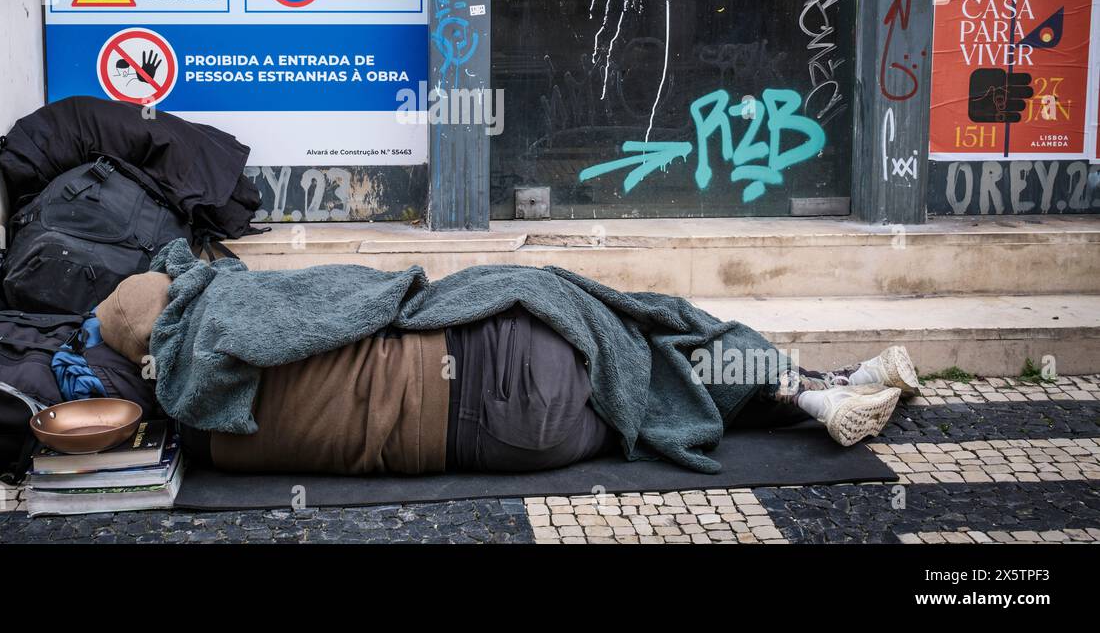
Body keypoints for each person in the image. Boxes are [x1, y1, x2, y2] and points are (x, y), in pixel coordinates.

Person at [95, 270, 918, 477]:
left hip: (524, 444)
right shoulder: (255, 304)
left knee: (655, 377)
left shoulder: (201, 435)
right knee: (647, 329)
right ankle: (808, 384)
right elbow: (388, 295)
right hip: (504, 364)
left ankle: (822, 386)